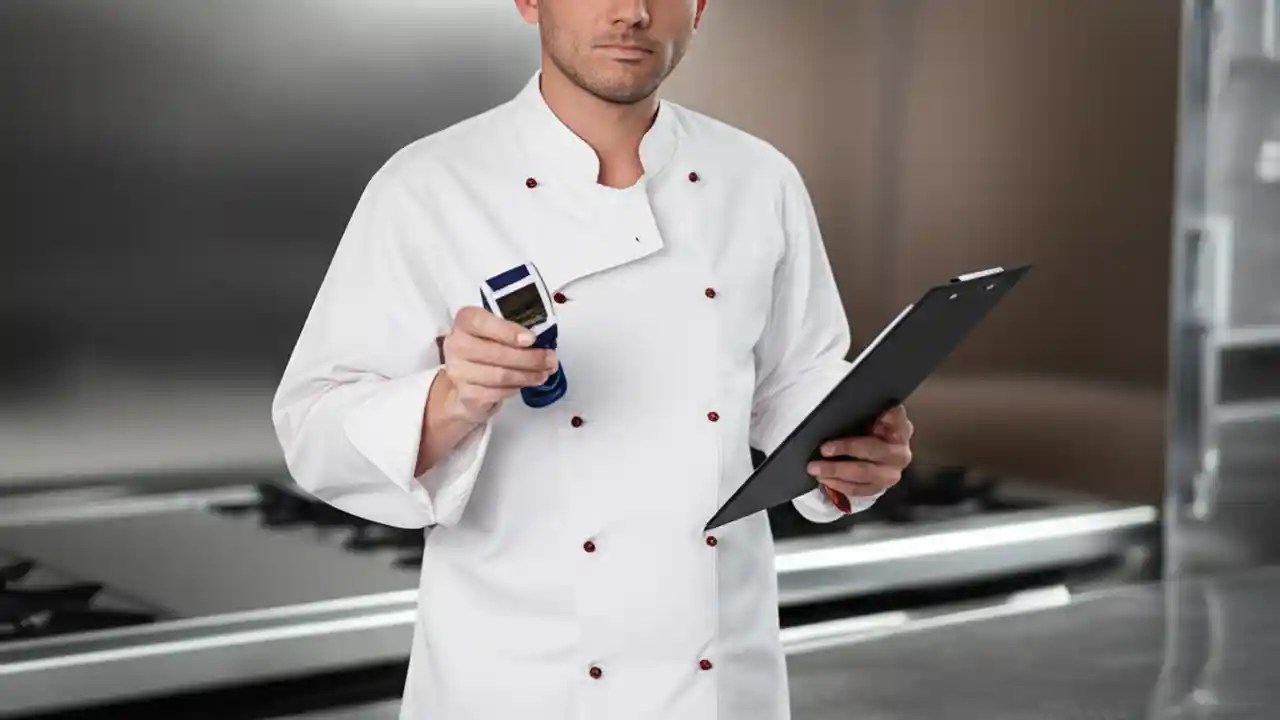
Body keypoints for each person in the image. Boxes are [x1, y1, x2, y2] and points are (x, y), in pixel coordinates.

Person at [271, 1, 914, 718]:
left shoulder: (759, 180)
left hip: (720, 686)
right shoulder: (429, 186)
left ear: (700, 7)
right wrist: (454, 397)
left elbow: (798, 383)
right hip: (518, 688)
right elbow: (314, 434)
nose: (631, 12)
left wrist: (853, 458)